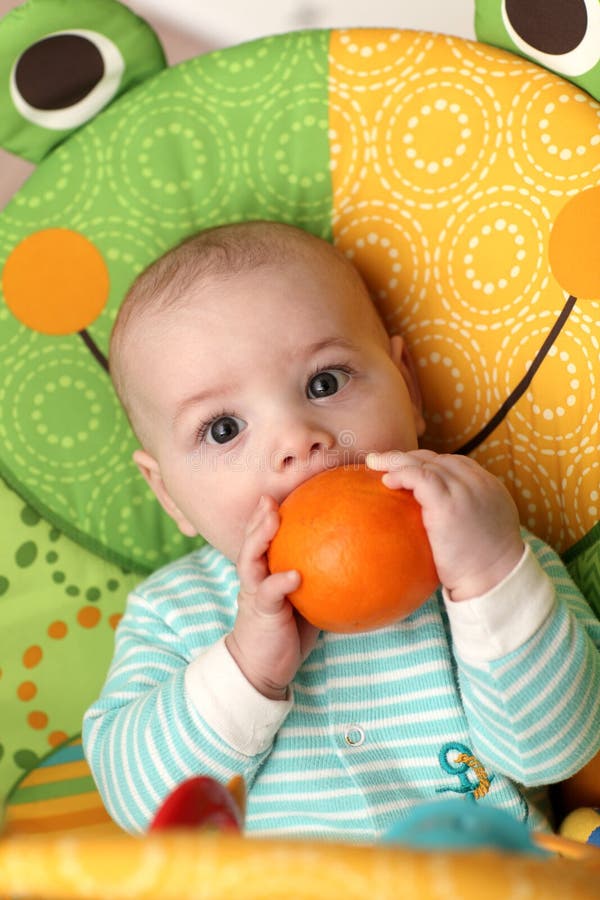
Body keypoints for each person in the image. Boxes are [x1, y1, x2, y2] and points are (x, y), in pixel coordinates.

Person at [83, 221, 600, 839]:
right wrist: (247, 669)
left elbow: (559, 752)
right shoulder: (176, 612)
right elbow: (137, 804)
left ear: (407, 390)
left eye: (324, 383)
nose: (297, 440)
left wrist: (490, 578)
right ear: (169, 493)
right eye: (223, 429)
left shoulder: (485, 552)